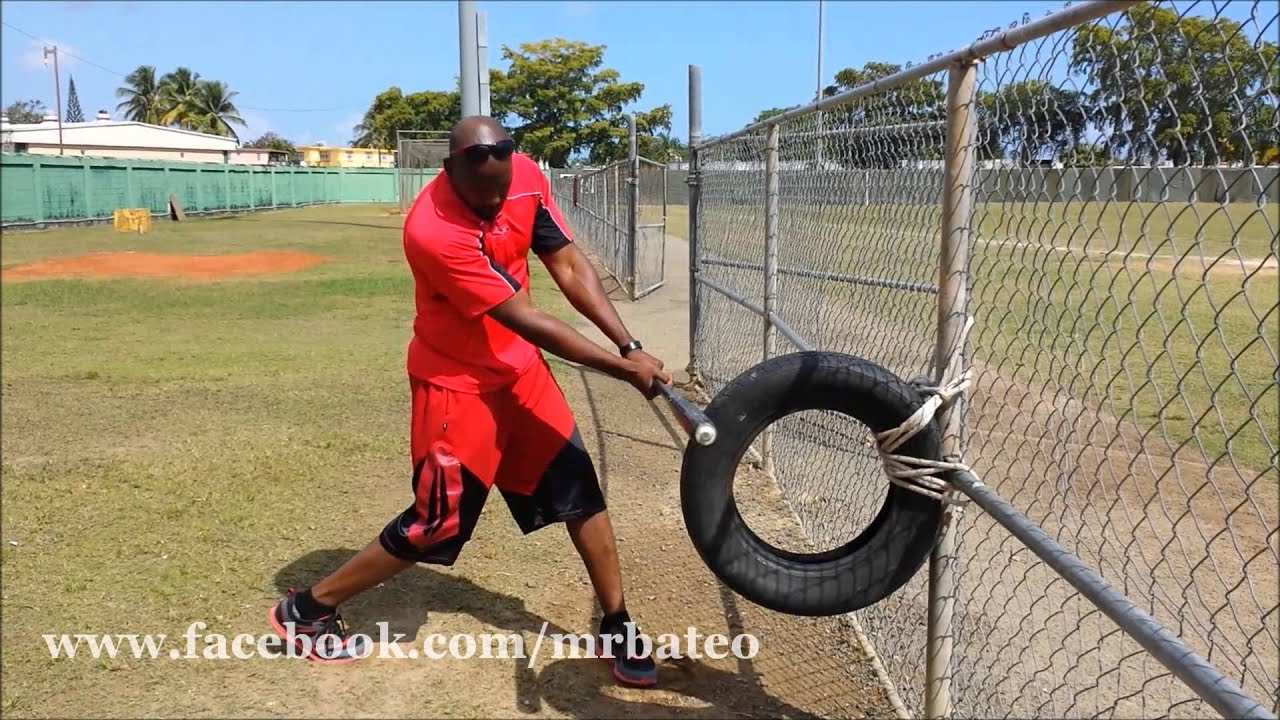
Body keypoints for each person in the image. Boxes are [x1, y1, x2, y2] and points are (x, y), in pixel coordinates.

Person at [267, 116, 672, 688]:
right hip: (456, 385)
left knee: (579, 492)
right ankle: (306, 611)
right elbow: (525, 317)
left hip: (521, 376)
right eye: (481, 193)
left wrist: (630, 344)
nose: (494, 202)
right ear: (449, 170)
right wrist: (620, 370)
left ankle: (615, 622)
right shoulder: (432, 229)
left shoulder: (526, 177)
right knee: (437, 523)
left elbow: (566, 261)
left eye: (501, 189)